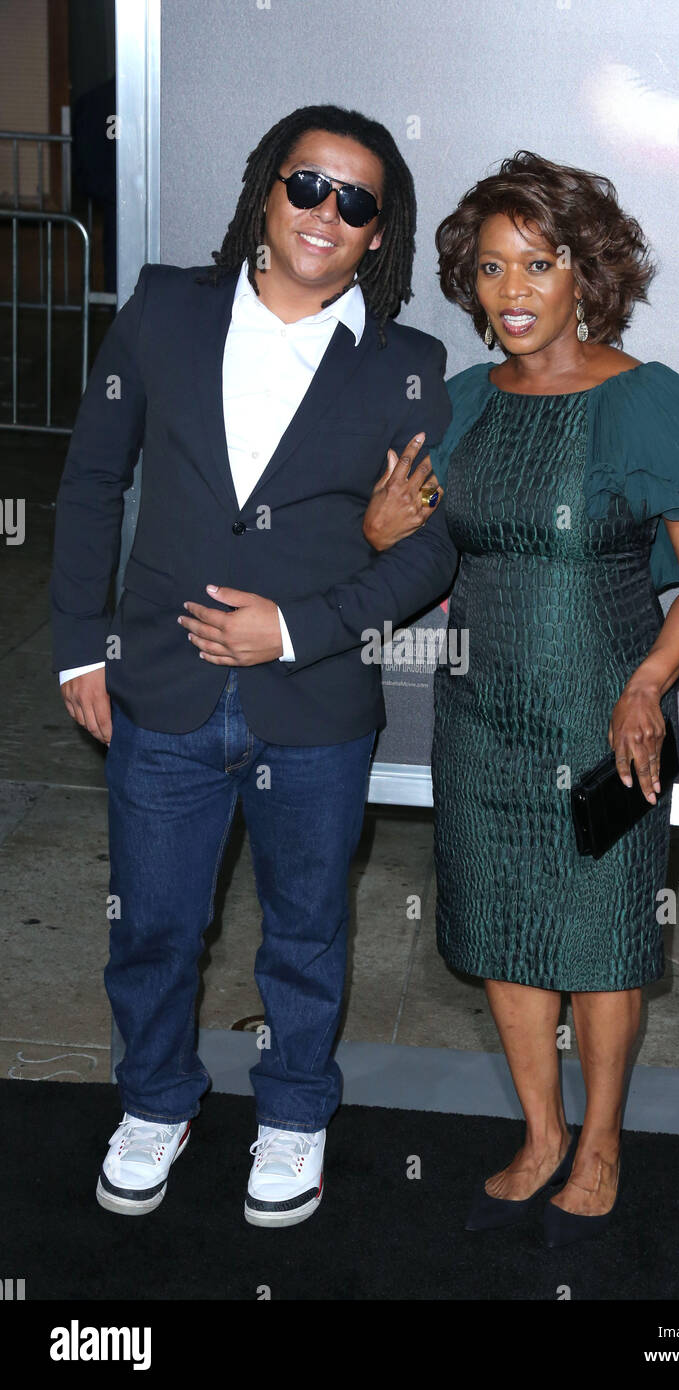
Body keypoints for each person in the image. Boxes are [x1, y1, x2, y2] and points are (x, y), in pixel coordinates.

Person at [51, 103, 454, 1227]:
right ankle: (155, 1101)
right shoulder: (163, 309)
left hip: (315, 702)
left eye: (356, 201)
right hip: (158, 685)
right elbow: (91, 482)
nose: (326, 212)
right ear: (265, 190)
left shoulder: (409, 368)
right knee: (153, 925)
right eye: (307, 184)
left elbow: (427, 552)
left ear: (378, 233)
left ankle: (293, 1114)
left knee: (307, 930)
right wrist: (79, 645)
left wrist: (292, 629)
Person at [369, 151, 679, 1248]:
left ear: (586, 272)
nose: (513, 289)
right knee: (502, 927)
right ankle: (540, 1135)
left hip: (608, 721)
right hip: (481, 716)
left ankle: (601, 1145)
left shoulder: (645, 400)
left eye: (538, 263)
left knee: (602, 938)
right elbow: (412, 549)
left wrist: (647, 686)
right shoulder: (460, 405)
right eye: (492, 267)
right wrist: (380, 529)